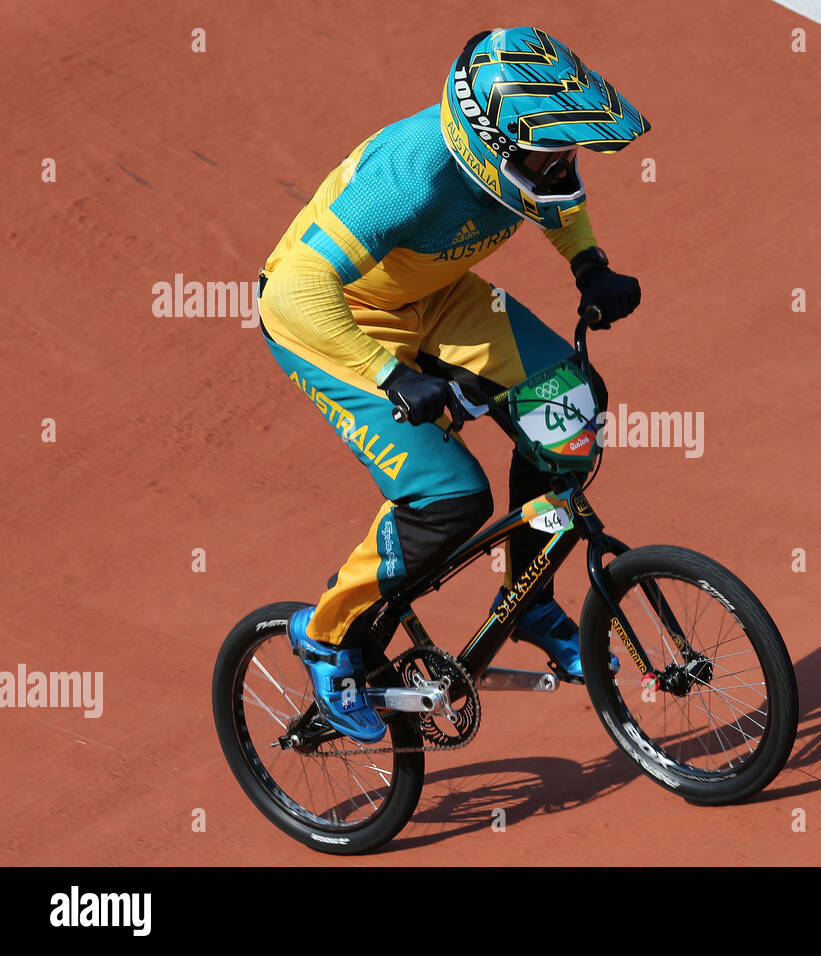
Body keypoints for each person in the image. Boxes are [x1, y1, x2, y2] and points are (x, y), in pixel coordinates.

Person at [255, 27, 650, 742]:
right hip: (335, 320)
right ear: (491, 146)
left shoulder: (524, 164)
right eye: (549, 148)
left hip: (433, 299)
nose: (563, 163)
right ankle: (327, 634)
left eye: (569, 148)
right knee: (449, 497)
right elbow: (292, 293)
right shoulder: (409, 178)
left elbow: (556, 197)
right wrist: (389, 374)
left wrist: (588, 263)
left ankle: (528, 600)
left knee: (569, 423)